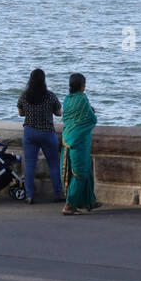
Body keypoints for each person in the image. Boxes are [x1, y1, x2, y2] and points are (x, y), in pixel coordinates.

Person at [17, 68, 62, 204]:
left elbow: (20, 113)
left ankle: (29, 195)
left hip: (30, 133)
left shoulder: (24, 96)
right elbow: (59, 113)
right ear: (44, 81)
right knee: (54, 165)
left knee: (30, 165)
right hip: (47, 133)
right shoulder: (50, 96)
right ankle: (58, 194)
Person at [60, 72, 101, 215]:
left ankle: (89, 201)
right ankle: (69, 206)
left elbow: (69, 117)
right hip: (79, 143)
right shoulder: (83, 99)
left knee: (86, 171)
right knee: (80, 173)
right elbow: (90, 119)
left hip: (68, 138)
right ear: (82, 86)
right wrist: (93, 113)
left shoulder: (67, 99)